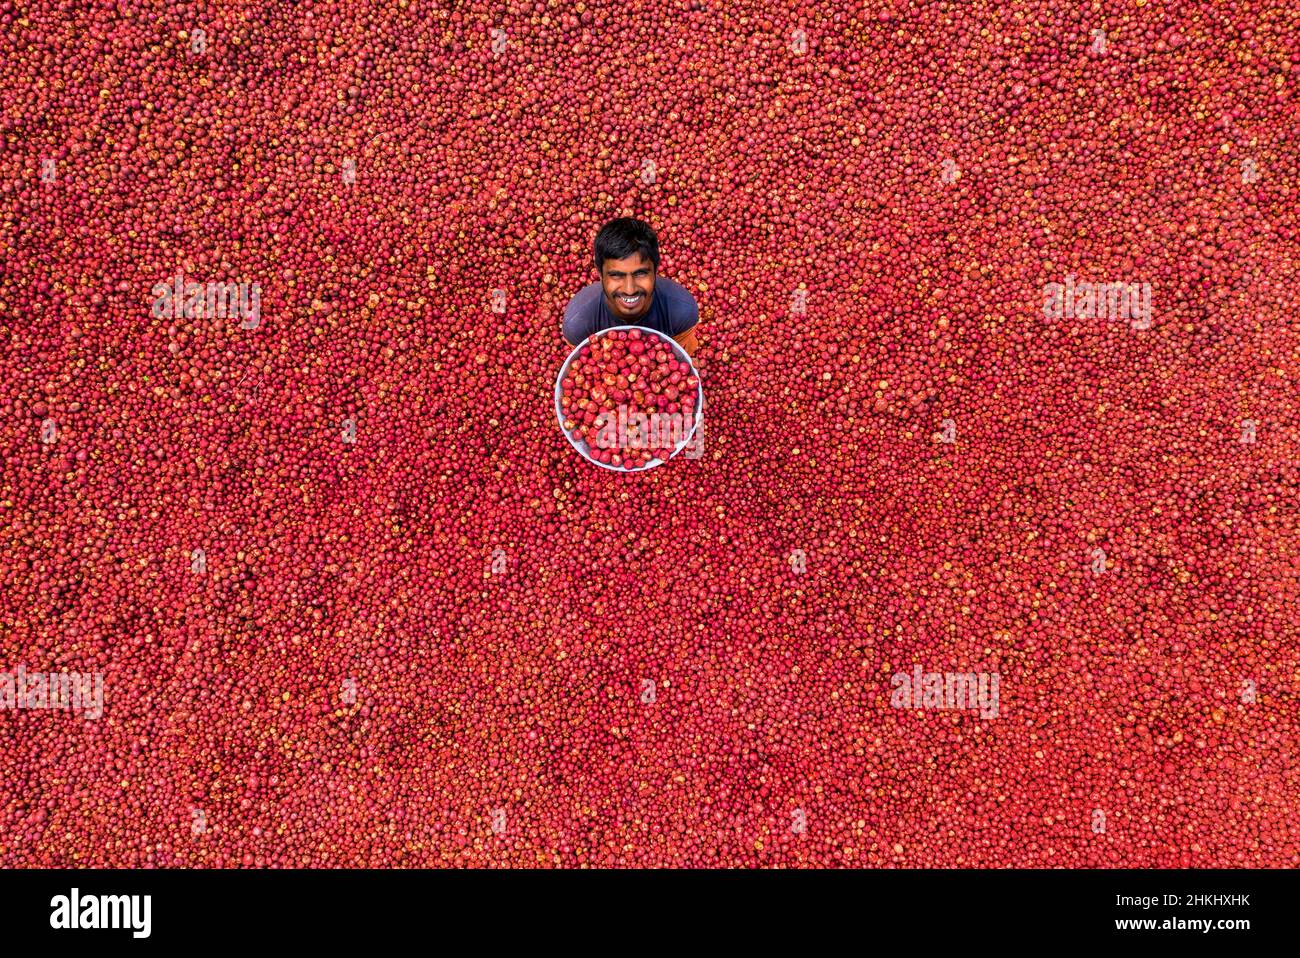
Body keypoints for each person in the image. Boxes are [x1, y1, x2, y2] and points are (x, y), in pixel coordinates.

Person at [562, 218, 700, 356]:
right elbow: (581, 365)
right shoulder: (578, 322)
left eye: (640, 273)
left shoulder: (682, 311)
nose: (630, 289)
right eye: (616, 275)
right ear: (600, 275)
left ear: (656, 270)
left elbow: (681, 361)